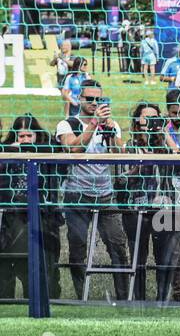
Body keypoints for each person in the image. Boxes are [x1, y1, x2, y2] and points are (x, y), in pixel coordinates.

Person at [56, 78, 131, 300]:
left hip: (105, 194)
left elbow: (120, 156)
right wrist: (93, 124)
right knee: (77, 248)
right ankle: (82, 297)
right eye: (90, 99)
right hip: (76, 194)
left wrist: (110, 132)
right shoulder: (67, 123)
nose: (95, 103)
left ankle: (123, 297)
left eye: (99, 99)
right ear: (80, 99)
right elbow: (74, 149)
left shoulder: (112, 124)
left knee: (118, 245)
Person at [118, 101, 180, 301]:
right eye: (146, 117)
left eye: (154, 117)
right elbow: (120, 179)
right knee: (138, 258)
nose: (150, 121)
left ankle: (163, 300)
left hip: (163, 208)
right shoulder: (129, 147)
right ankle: (139, 300)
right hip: (137, 209)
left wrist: (164, 133)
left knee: (165, 259)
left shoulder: (165, 145)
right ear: (137, 121)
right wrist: (135, 170)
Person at [0, 116, 59, 300]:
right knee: (8, 266)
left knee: (36, 267)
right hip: (11, 219)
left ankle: (39, 301)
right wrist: (11, 152)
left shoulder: (47, 152)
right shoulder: (6, 153)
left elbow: (60, 152)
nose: (25, 140)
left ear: (36, 136)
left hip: (40, 218)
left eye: (29, 135)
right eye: (21, 136)